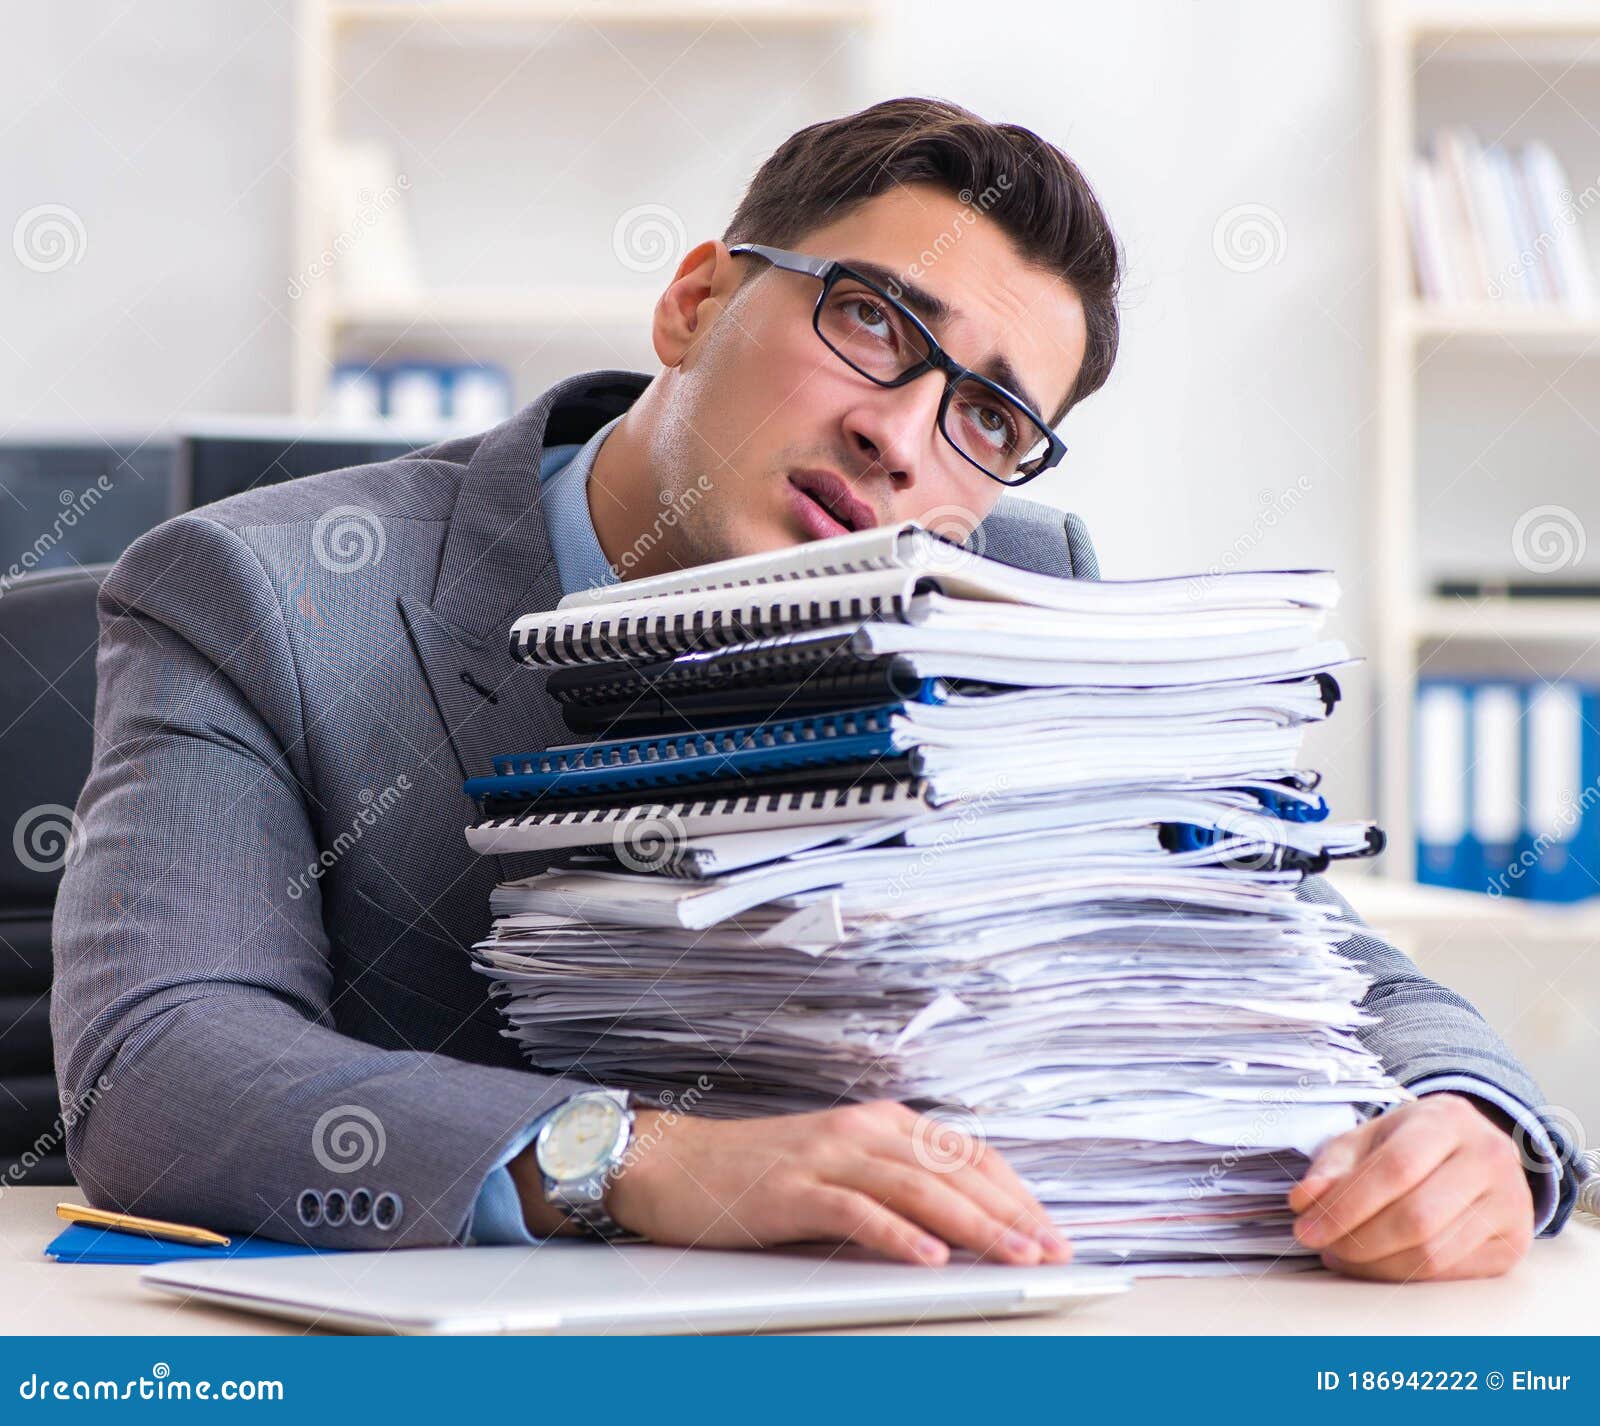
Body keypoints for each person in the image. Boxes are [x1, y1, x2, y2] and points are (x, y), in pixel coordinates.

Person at [51, 98, 1576, 1282]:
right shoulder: (265, 595)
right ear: (695, 303)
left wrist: (1473, 1118)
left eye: (990, 416)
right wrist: (642, 1159)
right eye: (872, 323)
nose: (900, 440)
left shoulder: (1012, 594)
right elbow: (159, 1063)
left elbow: (1287, 938)